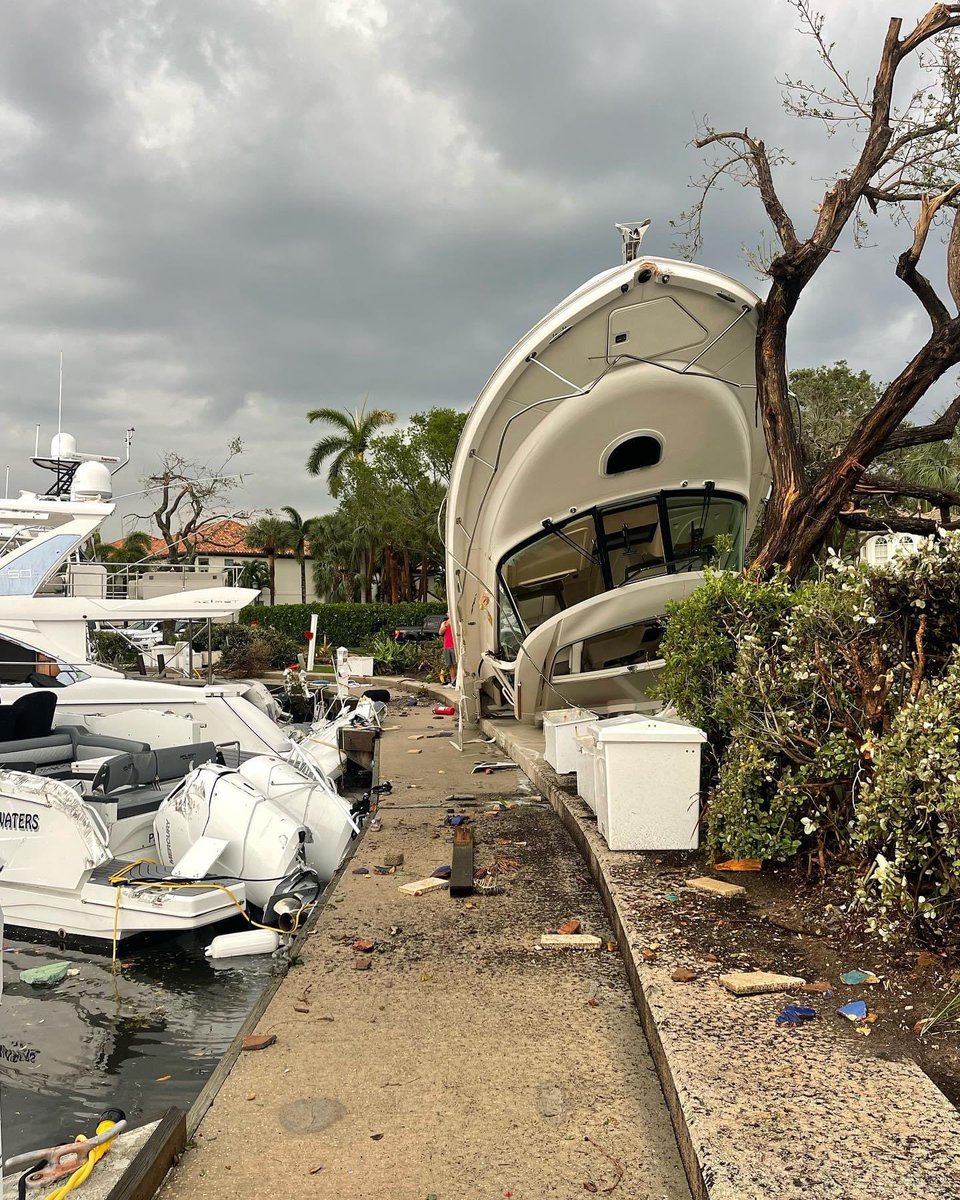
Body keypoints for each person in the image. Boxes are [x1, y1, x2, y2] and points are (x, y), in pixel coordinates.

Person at [439, 614, 457, 686]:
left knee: (456, 664)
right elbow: (440, 632)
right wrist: (446, 625)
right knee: (450, 664)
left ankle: (457, 680)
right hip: (447, 646)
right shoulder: (444, 623)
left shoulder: (456, 622)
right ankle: (452, 681)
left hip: (454, 646)